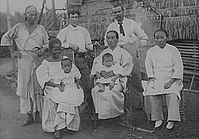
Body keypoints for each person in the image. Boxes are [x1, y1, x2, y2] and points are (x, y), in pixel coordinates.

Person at [1, 5, 49, 126]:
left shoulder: (41, 29)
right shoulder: (18, 28)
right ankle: (29, 116)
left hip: (36, 61)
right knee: (26, 88)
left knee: (37, 87)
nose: (33, 17)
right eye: (30, 14)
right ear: (26, 15)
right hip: (23, 61)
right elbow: (6, 37)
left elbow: (47, 43)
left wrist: (42, 50)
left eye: (35, 14)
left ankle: (37, 114)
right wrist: (12, 51)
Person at [36, 38, 83, 139]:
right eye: (55, 49)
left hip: (67, 84)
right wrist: (57, 85)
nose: (57, 52)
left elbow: (74, 72)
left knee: (71, 94)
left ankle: (70, 124)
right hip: (52, 86)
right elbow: (44, 79)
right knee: (58, 96)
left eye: (59, 49)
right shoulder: (46, 63)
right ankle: (58, 128)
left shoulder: (65, 59)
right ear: (50, 50)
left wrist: (76, 82)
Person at [105, 2, 149, 110]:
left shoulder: (132, 24)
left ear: (123, 11)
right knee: (119, 79)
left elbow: (144, 37)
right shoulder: (111, 26)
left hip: (132, 53)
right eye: (115, 12)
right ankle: (122, 106)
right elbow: (106, 43)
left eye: (119, 11)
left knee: (135, 78)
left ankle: (138, 105)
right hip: (117, 55)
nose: (117, 14)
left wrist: (138, 48)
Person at [57, 9, 94, 115]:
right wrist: (69, 45)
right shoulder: (64, 31)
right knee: (71, 86)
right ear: (69, 18)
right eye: (72, 17)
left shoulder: (84, 30)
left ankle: (91, 109)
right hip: (70, 61)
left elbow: (88, 45)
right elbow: (57, 43)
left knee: (87, 85)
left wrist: (94, 47)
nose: (74, 19)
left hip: (82, 59)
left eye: (76, 17)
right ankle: (70, 112)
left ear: (79, 18)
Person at [144, 28, 183, 131]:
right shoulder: (151, 51)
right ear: (154, 39)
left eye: (162, 37)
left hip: (171, 78)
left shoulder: (173, 50)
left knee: (172, 93)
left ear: (167, 38)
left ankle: (172, 119)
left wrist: (171, 82)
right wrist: (151, 78)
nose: (160, 40)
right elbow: (148, 66)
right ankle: (157, 118)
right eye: (157, 38)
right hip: (156, 78)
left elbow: (178, 66)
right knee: (152, 92)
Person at [91, 30, 133, 119]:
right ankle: (102, 114)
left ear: (117, 40)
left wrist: (115, 73)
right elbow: (97, 64)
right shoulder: (104, 53)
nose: (110, 40)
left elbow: (127, 66)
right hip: (103, 79)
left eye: (112, 38)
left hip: (117, 79)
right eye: (108, 38)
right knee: (95, 90)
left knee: (111, 91)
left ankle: (115, 114)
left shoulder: (123, 53)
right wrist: (100, 72)